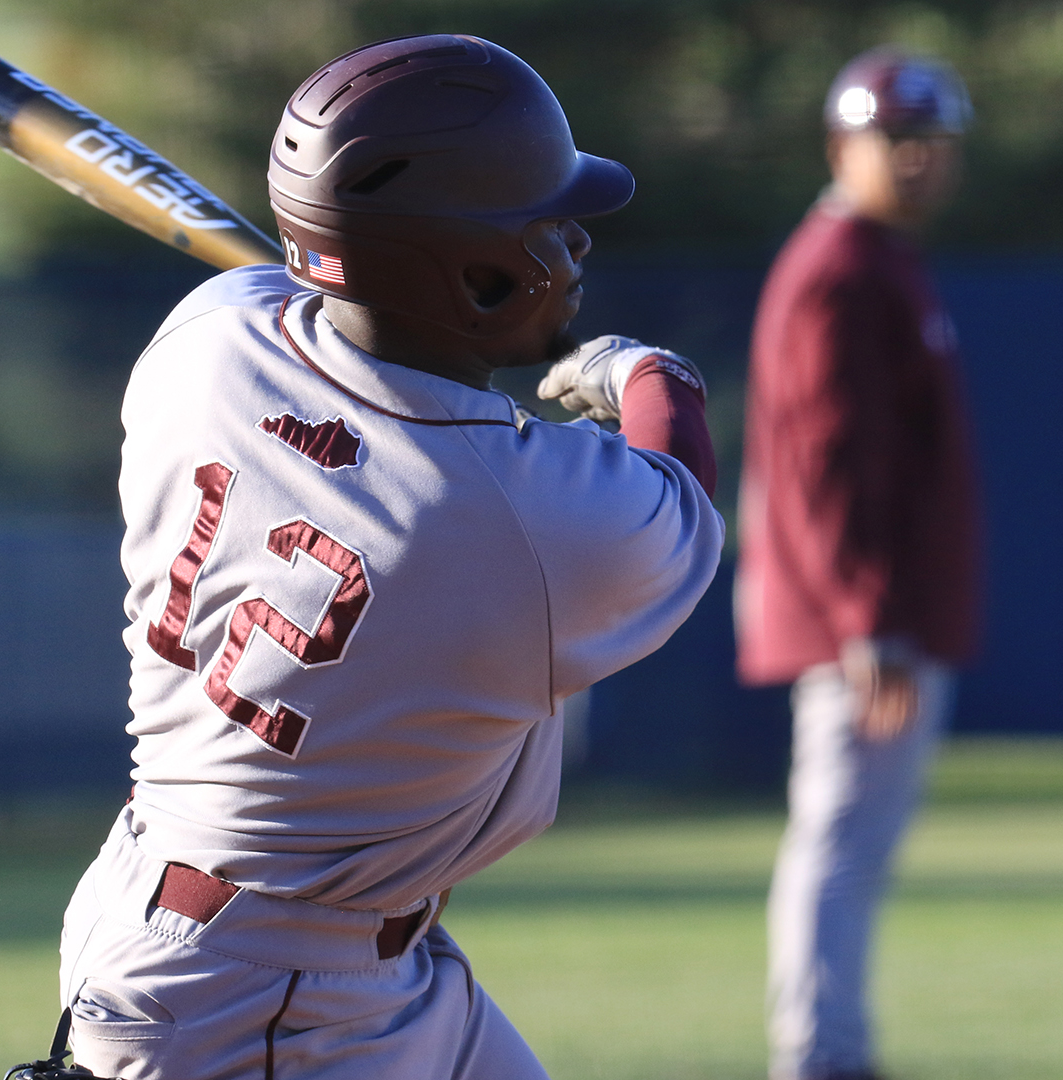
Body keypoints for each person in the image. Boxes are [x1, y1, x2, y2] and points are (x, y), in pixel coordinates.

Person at [54, 35, 723, 1080]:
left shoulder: (199, 347)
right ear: (474, 270)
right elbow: (681, 494)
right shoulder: (520, 515)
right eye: (545, 220)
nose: (575, 241)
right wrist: (651, 371)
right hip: (266, 995)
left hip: (250, 933)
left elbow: (306, 333)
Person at [734, 47, 983, 1080]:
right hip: (862, 624)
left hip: (882, 614)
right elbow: (827, 464)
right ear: (844, 147)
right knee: (836, 844)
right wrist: (864, 614)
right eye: (897, 142)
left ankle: (829, 1046)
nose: (919, 162)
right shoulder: (839, 271)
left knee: (849, 847)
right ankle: (821, 1054)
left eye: (933, 143)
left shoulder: (882, 260)